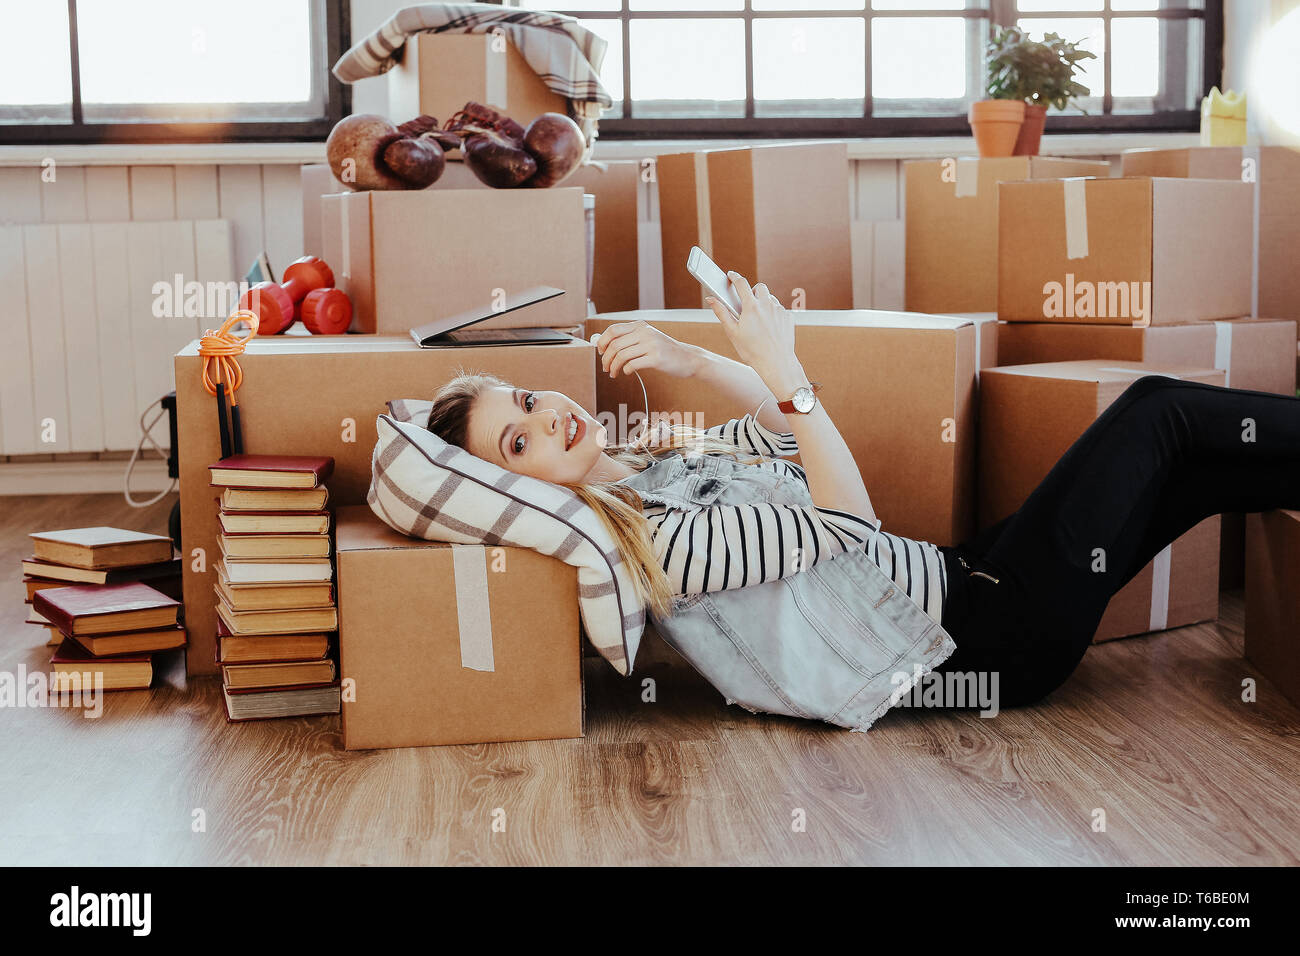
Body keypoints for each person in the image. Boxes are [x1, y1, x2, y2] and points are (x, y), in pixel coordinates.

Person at [425, 271, 1300, 723]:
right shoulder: (659, 547)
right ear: (513, 484)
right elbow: (846, 523)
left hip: (969, 577)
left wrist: (697, 361)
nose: (548, 422)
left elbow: (781, 430)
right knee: (1161, 413)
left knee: (1201, 470)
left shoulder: (660, 469)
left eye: (530, 402)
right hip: (987, 643)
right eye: (518, 442)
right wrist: (788, 370)